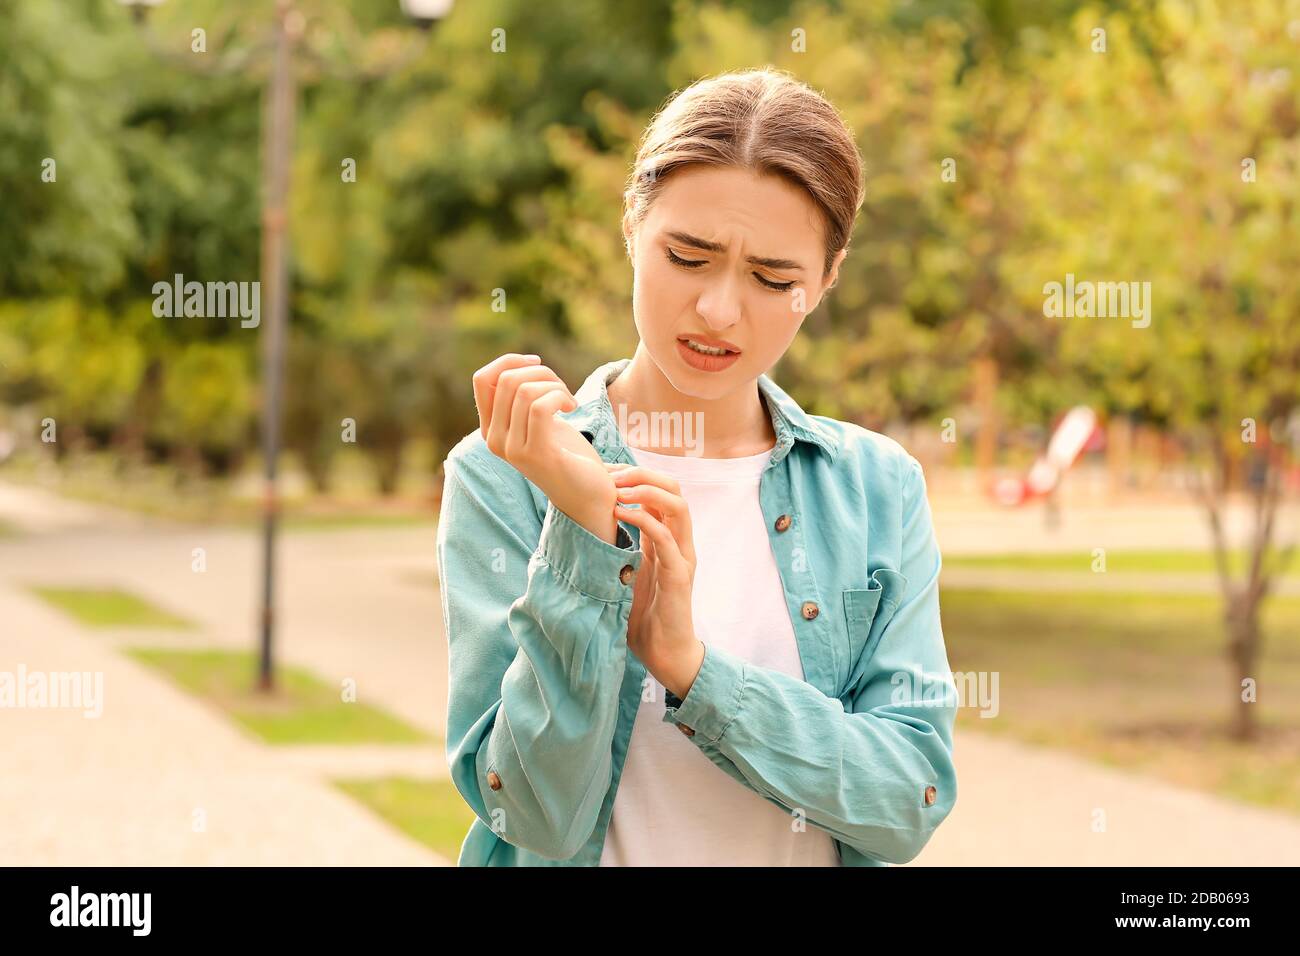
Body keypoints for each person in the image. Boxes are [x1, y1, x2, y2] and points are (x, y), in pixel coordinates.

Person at [436, 67, 958, 867]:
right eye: (688, 257)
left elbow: (908, 799)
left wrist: (695, 673)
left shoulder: (876, 487)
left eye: (773, 278)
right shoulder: (506, 471)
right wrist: (584, 529)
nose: (719, 309)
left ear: (825, 280)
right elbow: (532, 813)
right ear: (631, 228)